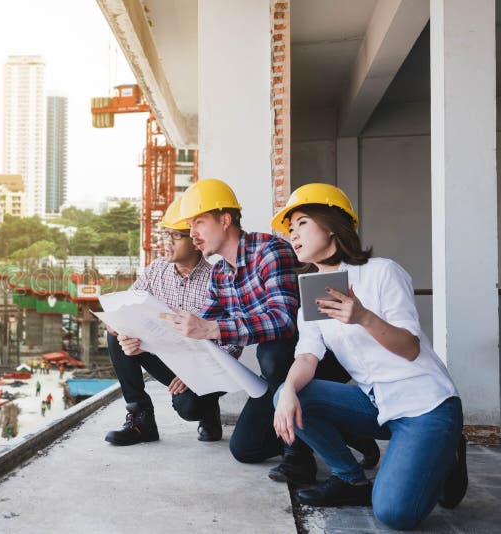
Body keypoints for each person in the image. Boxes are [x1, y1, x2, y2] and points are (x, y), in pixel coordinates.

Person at [270, 183, 466, 529]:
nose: (292, 235)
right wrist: (287, 391)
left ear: (331, 225)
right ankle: (349, 479)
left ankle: (446, 450)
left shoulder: (382, 272)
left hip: (426, 406)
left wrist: (362, 316)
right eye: (290, 229)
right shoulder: (312, 292)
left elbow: (410, 347)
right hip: (376, 402)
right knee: (290, 394)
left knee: (395, 514)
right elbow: (307, 357)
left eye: (301, 223)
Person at [163, 178, 376, 484]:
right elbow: (205, 331)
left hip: (316, 363)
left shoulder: (269, 250)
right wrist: (185, 361)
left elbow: (283, 320)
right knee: (245, 449)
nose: (192, 233)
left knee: (273, 350)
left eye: (198, 222)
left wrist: (213, 328)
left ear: (225, 221)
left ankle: (298, 457)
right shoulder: (220, 275)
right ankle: (342, 429)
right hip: (280, 374)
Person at [105, 195, 241, 446]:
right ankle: (141, 419)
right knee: (116, 336)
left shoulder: (217, 278)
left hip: (208, 367)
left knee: (189, 408)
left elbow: (234, 343)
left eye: (176, 236)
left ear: (195, 239)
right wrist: (122, 331)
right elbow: (123, 310)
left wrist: (196, 373)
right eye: (166, 235)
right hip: (169, 357)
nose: (166, 243)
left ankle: (208, 408)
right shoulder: (156, 270)